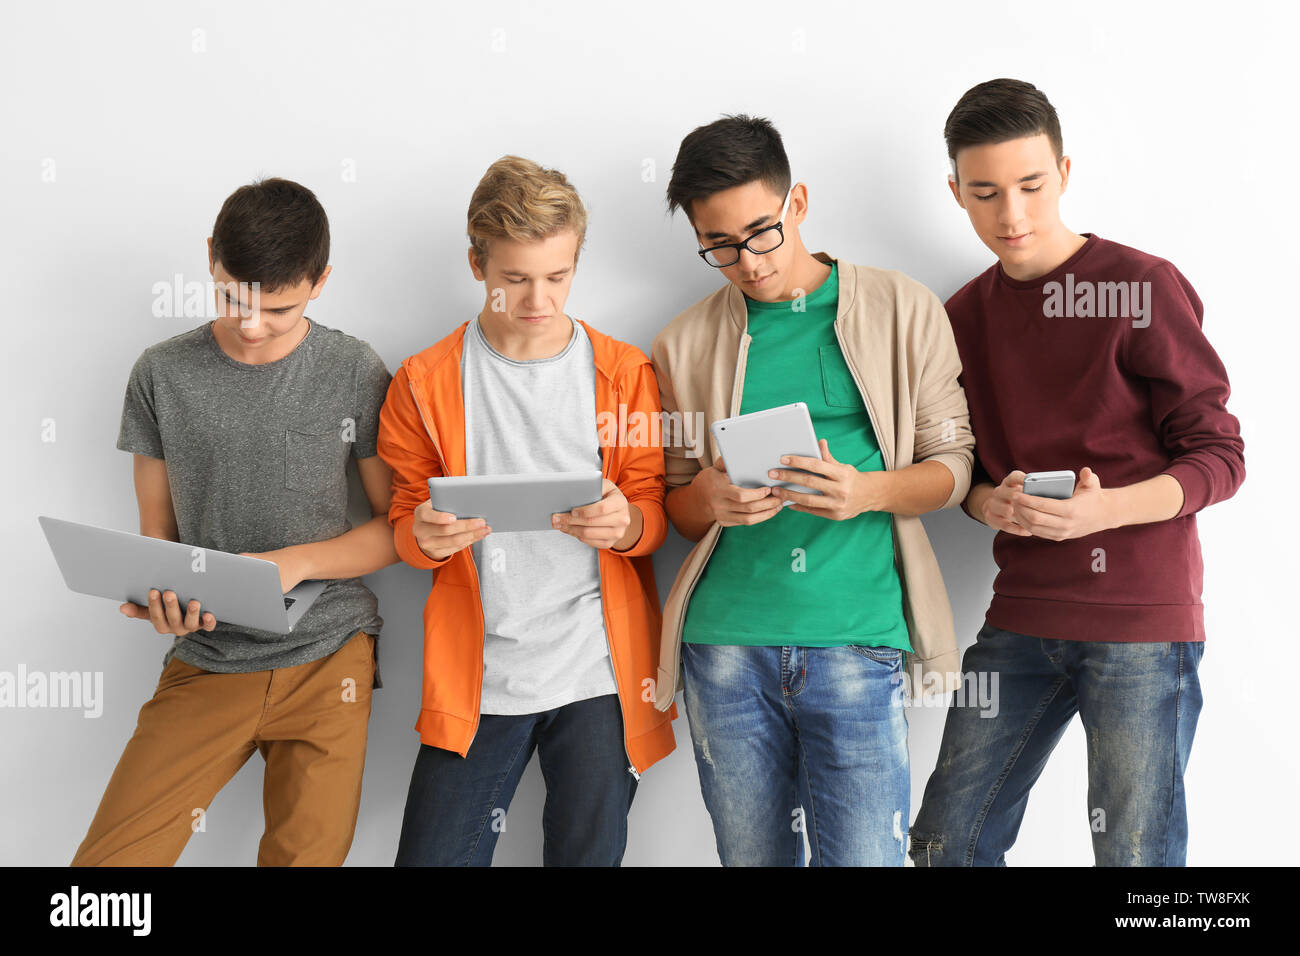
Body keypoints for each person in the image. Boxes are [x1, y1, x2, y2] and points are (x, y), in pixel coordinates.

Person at [910, 78, 1246, 866]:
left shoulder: (1142, 285)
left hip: (1140, 620)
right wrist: (988, 503)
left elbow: (1220, 456)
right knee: (944, 844)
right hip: (1020, 618)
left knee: (1136, 861)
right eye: (986, 193)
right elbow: (964, 469)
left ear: (1064, 172)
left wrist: (1109, 512)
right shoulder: (960, 315)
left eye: (1030, 186)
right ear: (955, 193)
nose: (1012, 215)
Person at [651, 115, 974, 866]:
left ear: (797, 203)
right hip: (725, 646)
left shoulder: (901, 307)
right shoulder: (681, 341)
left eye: (761, 232)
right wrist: (710, 496)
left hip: (858, 640)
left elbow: (953, 468)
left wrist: (867, 491)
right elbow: (674, 505)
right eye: (719, 246)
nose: (748, 262)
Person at [72, 177, 397, 866]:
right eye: (232, 297)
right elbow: (155, 535)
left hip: (328, 653)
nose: (251, 324)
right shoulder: (161, 374)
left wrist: (299, 561)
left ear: (320, 281)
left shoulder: (353, 370)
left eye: (277, 308)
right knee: (106, 875)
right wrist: (160, 599)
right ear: (212, 256)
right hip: (209, 658)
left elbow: (396, 530)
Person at [378, 155, 675, 867]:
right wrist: (423, 535)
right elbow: (404, 526)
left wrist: (627, 524)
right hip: (481, 676)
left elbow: (651, 511)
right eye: (515, 279)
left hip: (599, 673)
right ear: (477, 264)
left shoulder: (624, 372)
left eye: (557, 276)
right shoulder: (423, 381)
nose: (539, 299)